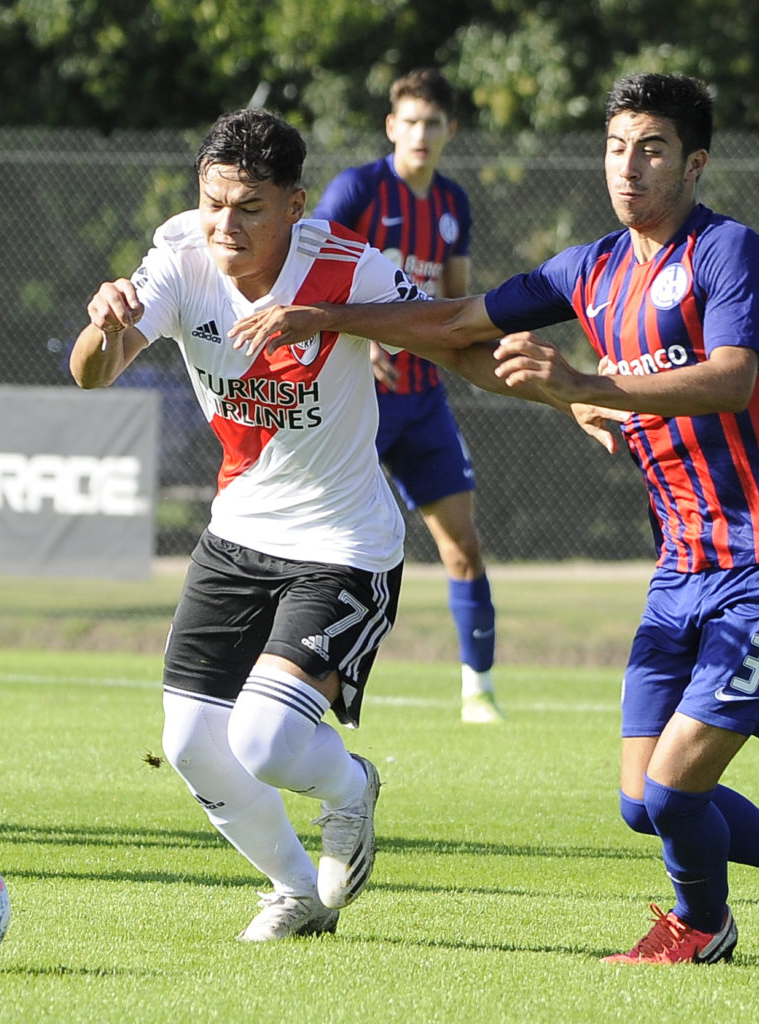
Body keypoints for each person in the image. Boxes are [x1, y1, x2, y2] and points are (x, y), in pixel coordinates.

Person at [227, 71, 759, 967]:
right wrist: (322, 315)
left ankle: (702, 928)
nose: (629, 168)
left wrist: (582, 384)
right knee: (642, 802)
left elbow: (732, 377)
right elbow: (455, 318)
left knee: (678, 789)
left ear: (696, 164)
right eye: (616, 148)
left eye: (651, 149)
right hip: (682, 564)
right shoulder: (589, 269)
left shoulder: (732, 254)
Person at [70, 108, 492, 942]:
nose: (224, 224)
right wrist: (104, 324)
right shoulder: (180, 257)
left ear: (294, 205)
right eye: (211, 201)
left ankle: (350, 789)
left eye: (249, 208)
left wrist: (329, 319)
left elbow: (451, 328)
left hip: (343, 547)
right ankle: (296, 892)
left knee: (262, 738)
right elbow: (94, 373)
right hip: (238, 536)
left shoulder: (345, 264)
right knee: (191, 741)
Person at [311, 68, 504, 725]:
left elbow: (453, 303)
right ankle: (293, 675)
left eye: (433, 123)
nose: (420, 133)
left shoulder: (451, 204)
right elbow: (306, 271)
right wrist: (363, 339)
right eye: (409, 122)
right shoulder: (358, 190)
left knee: (463, 547)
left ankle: (478, 690)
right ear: (391, 126)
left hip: (423, 402)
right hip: (356, 402)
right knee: (326, 546)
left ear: (449, 130)